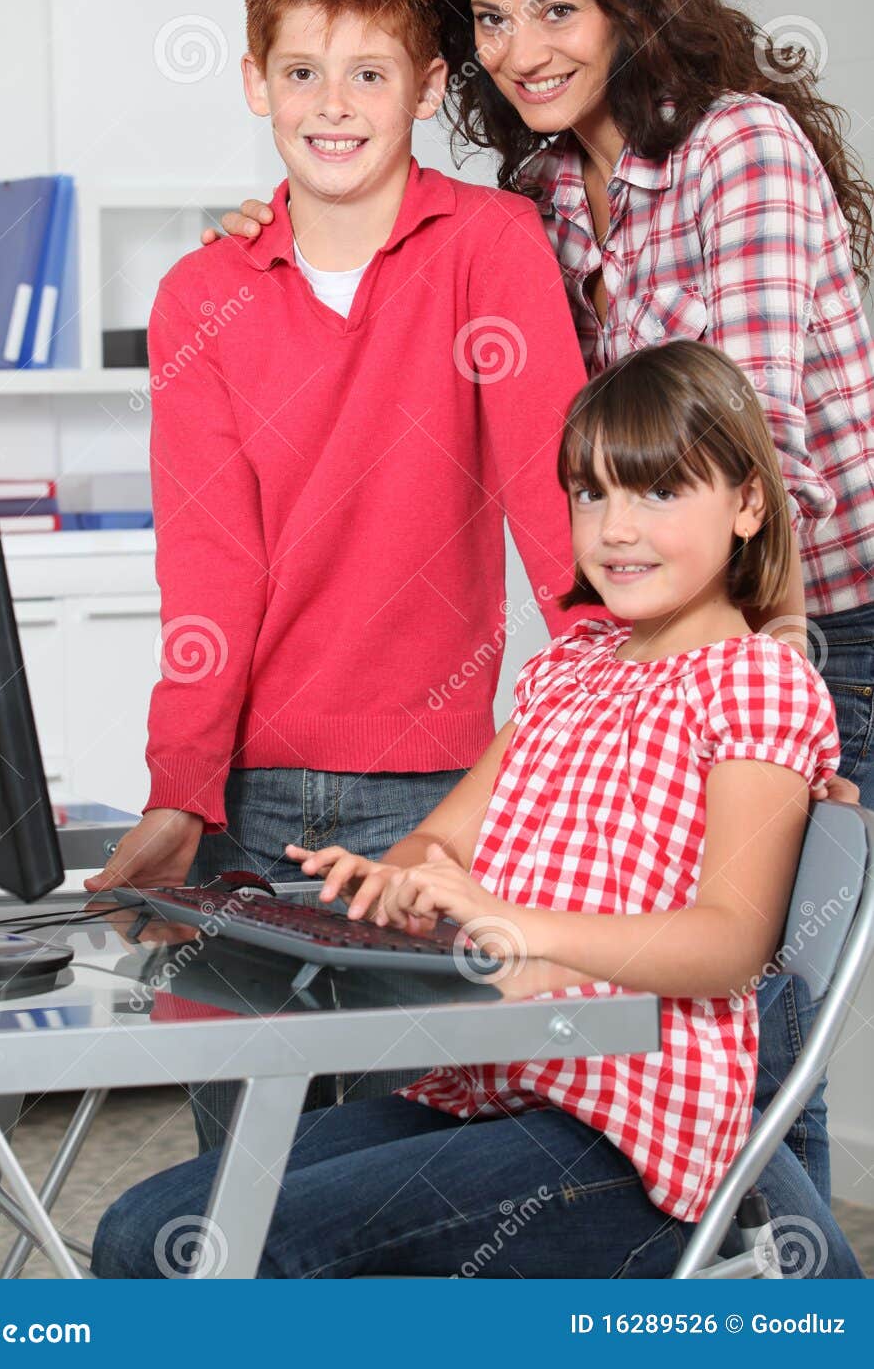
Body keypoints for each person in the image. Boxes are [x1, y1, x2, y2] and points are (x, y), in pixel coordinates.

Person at [200, 0, 874, 1205]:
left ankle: (780, 1283)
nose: (521, 49)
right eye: (492, 19)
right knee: (684, 1007)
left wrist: (762, 687)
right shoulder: (552, 194)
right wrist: (302, 222)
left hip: (812, 622)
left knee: (756, 1019)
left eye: (556, 9)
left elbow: (754, 452)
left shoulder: (738, 148)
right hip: (674, 640)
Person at [92, 342, 863, 1279]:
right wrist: (397, 875)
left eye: (659, 491)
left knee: (221, 1254)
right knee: (143, 1228)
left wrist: (515, 927)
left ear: (747, 505)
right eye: (590, 494)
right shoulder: (567, 671)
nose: (616, 528)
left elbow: (729, 942)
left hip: (630, 1138)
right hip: (490, 1090)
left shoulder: (756, 682)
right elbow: (439, 839)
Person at [86, 0, 599, 1151]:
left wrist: (614, 719)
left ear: (424, 88)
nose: (331, 105)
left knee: (381, 1172)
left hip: (428, 794)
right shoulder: (201, 295)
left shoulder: (487, 246)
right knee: (237, 1166)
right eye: (301, 71)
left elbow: (557, 505)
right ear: (253, 80)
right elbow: (208, 570)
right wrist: (177, 789)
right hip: (241, 799)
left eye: (368, 73)